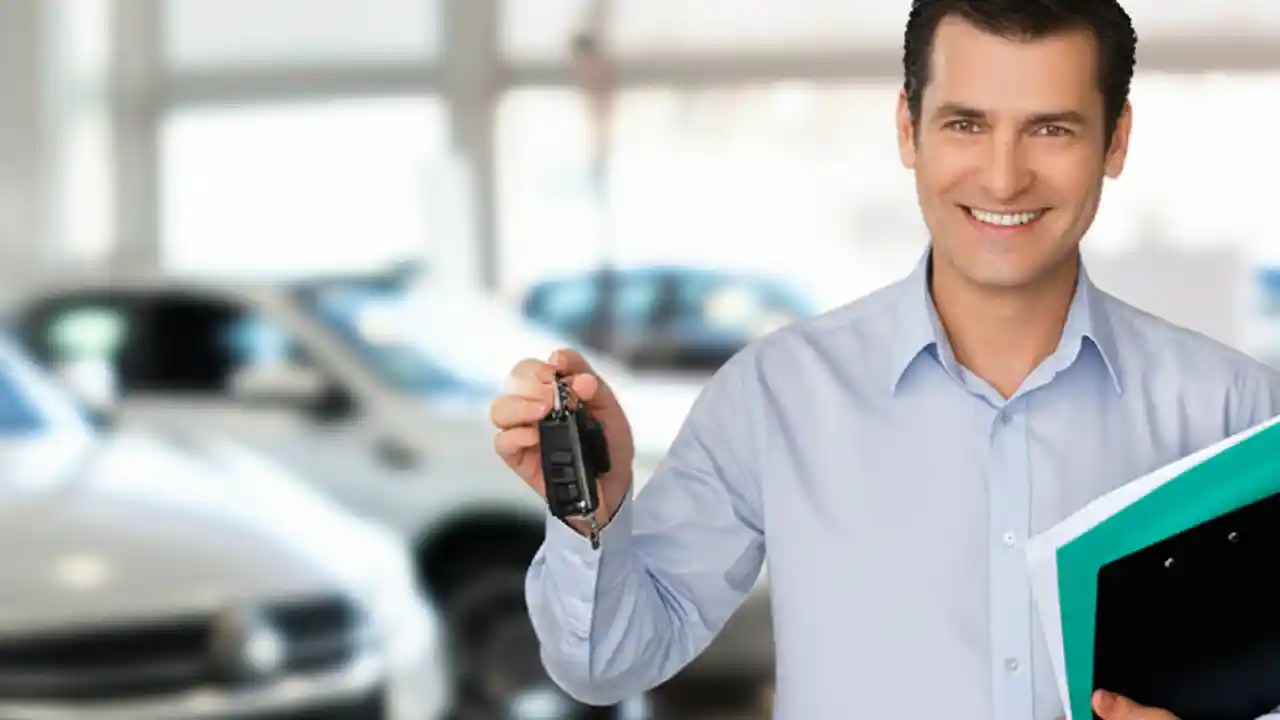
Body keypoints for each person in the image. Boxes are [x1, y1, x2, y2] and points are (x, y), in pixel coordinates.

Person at [489, 1, 1280, 718]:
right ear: (908, 128)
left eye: (1052, 128)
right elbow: (606, 663)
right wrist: (594, 513)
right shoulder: (777, 395)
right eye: (967, 124)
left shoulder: (1235, 417)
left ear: (1116, 141)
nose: (1004, 175)